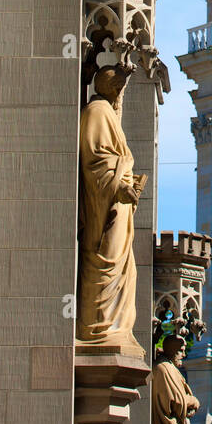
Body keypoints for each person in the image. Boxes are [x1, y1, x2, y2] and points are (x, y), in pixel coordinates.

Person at [77, 64, 147, 354]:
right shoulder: (97, 112)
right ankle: (98, 328)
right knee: (106, 258)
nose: (121, 93)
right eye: (119, 87)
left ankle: (113, 327)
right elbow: (96, 159)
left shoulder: (108, 113)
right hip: (109, 204)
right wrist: (119, 186)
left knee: (121, 265)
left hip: (119, 206)